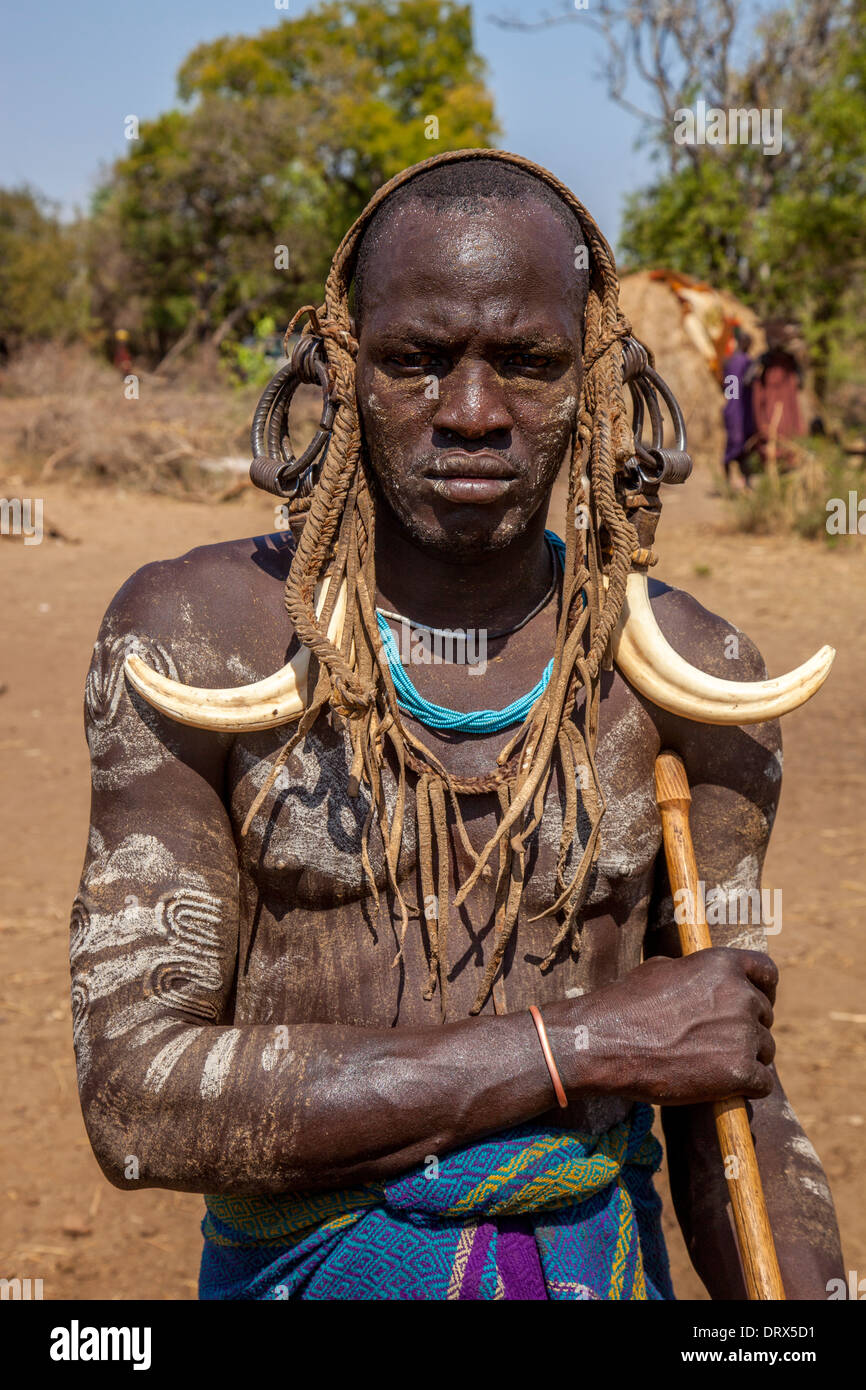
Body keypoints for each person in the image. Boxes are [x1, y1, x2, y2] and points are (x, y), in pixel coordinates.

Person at [70, 150, 843, 1301]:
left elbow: (724, 1080)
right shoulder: (193, 639)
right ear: (336, 372)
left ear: (596, 378)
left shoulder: (692, 678)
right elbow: (137, 1100)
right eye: (415, 362)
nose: (472, 415)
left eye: (526, 365)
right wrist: (577, 1047)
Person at [721, 327, 758, 489]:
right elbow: (736, 388)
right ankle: (730, 482)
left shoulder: (731, 362)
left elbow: (728, 389)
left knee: (744, 447)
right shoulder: (744, 362)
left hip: (736, 409)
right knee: (737, 445)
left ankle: (743, 482)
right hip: (738, 411)